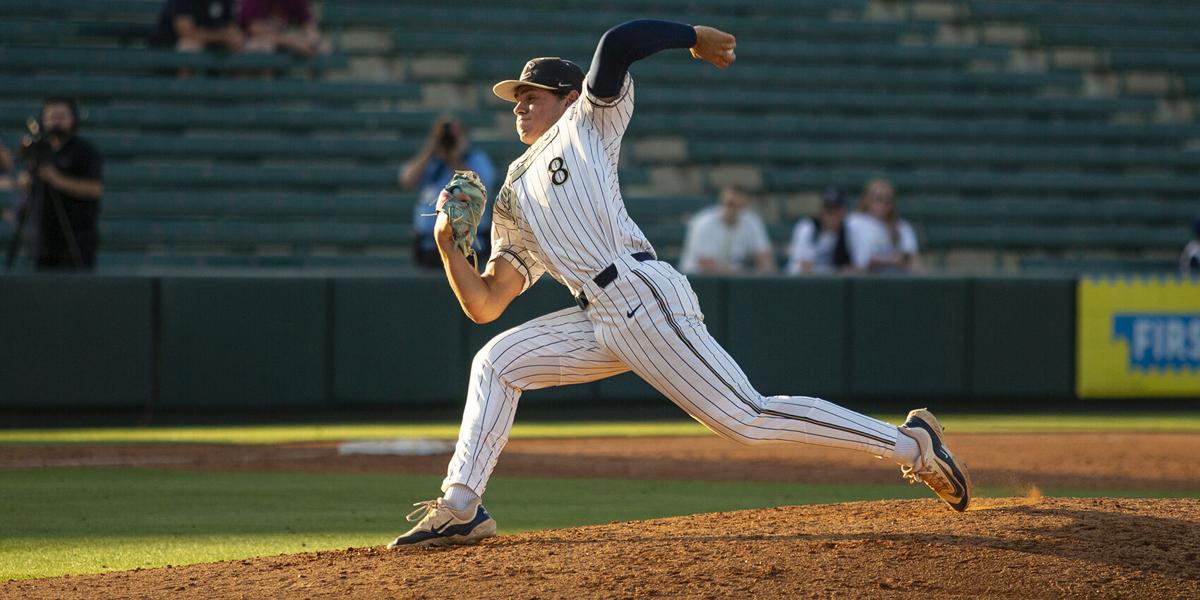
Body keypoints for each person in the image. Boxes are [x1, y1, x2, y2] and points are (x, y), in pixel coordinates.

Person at [387, 20, 972, 548]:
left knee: (748, 417)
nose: (518, 105)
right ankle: (462, 505)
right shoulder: (512, 191)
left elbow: (617, 44)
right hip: (597, 317)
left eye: (530, 95)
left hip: (641, 295)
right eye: (515, 99)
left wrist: (693, 37)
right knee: (496, 360)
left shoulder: (587, 125)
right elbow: (487, 303)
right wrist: (447, 245)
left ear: (568, 99)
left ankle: (911, 444)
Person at [14, 98, 104, 271]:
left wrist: (56, 179)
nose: (56, 122)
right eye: (52, 116)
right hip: (42, 238)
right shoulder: (40, 151)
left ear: (73, 119)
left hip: (75, 238)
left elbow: (95, 189)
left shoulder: (85, 151)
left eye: (62, 117)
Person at [400, 117, 497, 270]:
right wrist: (431, 148)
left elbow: (481, 187)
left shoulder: (475, 159)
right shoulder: (431, 162)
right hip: (429, 246)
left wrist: (453, 157)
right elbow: (407, 181)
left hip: (469, 246)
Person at [678, 186, 775, 275]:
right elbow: (706, 265)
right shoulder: (704, 223)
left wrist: (764, 274)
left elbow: (765, 259)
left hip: (734, 281)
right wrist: (746, 274)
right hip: (696, 281)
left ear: (745, 206)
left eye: (738, 206)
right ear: (721, 202)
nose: (732, 209)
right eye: (729, 204)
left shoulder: (752, 222)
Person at [846, 178, 924, 274]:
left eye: (888, 200)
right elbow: (860, 262)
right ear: (866, 199)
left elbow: (913, 259)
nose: (883, 204)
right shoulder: (853, 222)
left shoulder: (902, 227)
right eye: (878, 199)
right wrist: (892, 260)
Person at [787, 186, 852, 275]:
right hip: (798, 281)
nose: (831, 216)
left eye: (836, 210)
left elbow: (853, 268)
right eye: (828, 210)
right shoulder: (807, 227)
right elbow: (804, 267)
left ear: (843, 212)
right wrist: (836, 271)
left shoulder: (847, 232)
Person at [239, 0, 331, 57]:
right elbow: (255, 30)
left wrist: (312, 41)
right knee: (264, 47)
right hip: (250, 40)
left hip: (283, 39)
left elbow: (308, 25)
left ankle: (313, 86)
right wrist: (291, 42)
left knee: (323, 46)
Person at [149, 0, 243, 53]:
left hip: (211, 44)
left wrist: (236, 37)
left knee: (245, 46)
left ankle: (240, 86)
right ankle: (186, 86)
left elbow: (231, 26)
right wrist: (222, 37)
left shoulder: (224, 2)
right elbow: (187, 33)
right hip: (168, 48)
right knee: (190, 46)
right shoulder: (183, 2)